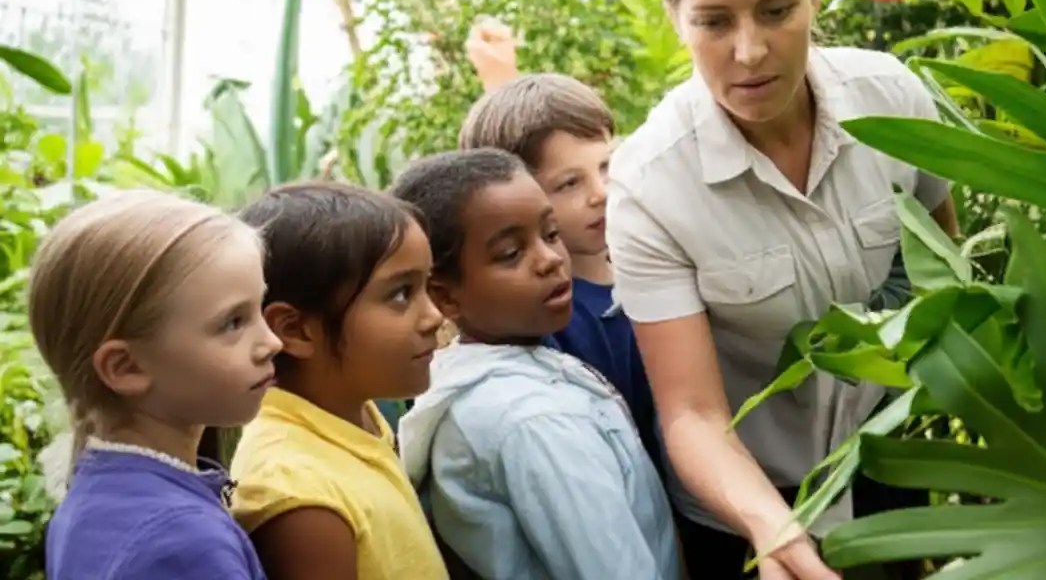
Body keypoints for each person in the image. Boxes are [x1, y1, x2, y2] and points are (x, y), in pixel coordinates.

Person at [604, 0, 960, 580]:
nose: (749, 52)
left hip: (884, 461)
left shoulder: (892, 101)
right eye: (713, 22)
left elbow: (948, 275)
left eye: (775, 11)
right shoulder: (649, 187)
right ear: (676, 16)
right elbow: (693, 415)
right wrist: (777, 534)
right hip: (743, 507)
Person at [393, 149, 679, 580]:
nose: (550, 259)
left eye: (550, 233)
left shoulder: (512, 372)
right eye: (510, 253)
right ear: (445, 297)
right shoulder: (533, 421)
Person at [28, 190, 280, 580]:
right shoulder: (183, 542)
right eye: (233, 323)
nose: (272, 343)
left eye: (258, 309)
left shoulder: (97, 495)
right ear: (125, 367)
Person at [228, 183, 450, 580]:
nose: (433, 316)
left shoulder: (353, 413)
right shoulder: (297, 495)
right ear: (296, 330)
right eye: (401, 294)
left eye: (426, 287)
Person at [457, 73, 661, 469]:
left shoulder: (652, 263)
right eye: (569, 183)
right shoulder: (549, 316)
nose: (600, 193)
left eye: (606, 166)